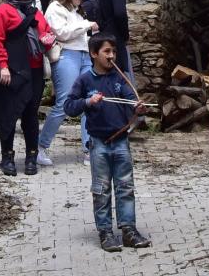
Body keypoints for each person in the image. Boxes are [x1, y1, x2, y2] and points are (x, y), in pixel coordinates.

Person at [64, 34, 152, 253]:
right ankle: (105, 232)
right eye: (106, 51)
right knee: (101, 189)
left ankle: (128, 230)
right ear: (94, 54)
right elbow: (69, 106)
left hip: (121, 140)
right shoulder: (85, 80)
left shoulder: (119, 78)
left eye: (113, 51)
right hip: (98, 143)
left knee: (125, 187)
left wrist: (139, 108)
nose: (112, 56)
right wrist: (87, 101)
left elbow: (133, 102)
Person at [0, 0, 55, 176]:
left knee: (30, 114)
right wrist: (2, 66)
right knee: (10, 113)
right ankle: (8, 157)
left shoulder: (36, 13)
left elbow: (46, 33)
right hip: (12, 71)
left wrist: (48, 39)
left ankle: (31, 157)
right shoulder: (3, 11)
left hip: (34, 70)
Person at [37, 0, 99, 166]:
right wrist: (87, 25)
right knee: (64, 103)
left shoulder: (77, 12)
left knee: (91, 101)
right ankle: (40, 146)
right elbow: (61, 33)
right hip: (67, 56)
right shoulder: (55, 8)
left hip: (83, 56)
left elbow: (79, 36)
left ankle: (89, 148)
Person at [83, 0, 131, 75]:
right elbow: (120, 13)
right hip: (113, 39)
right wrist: (125, 36)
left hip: (96, 41)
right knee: (117, 77)